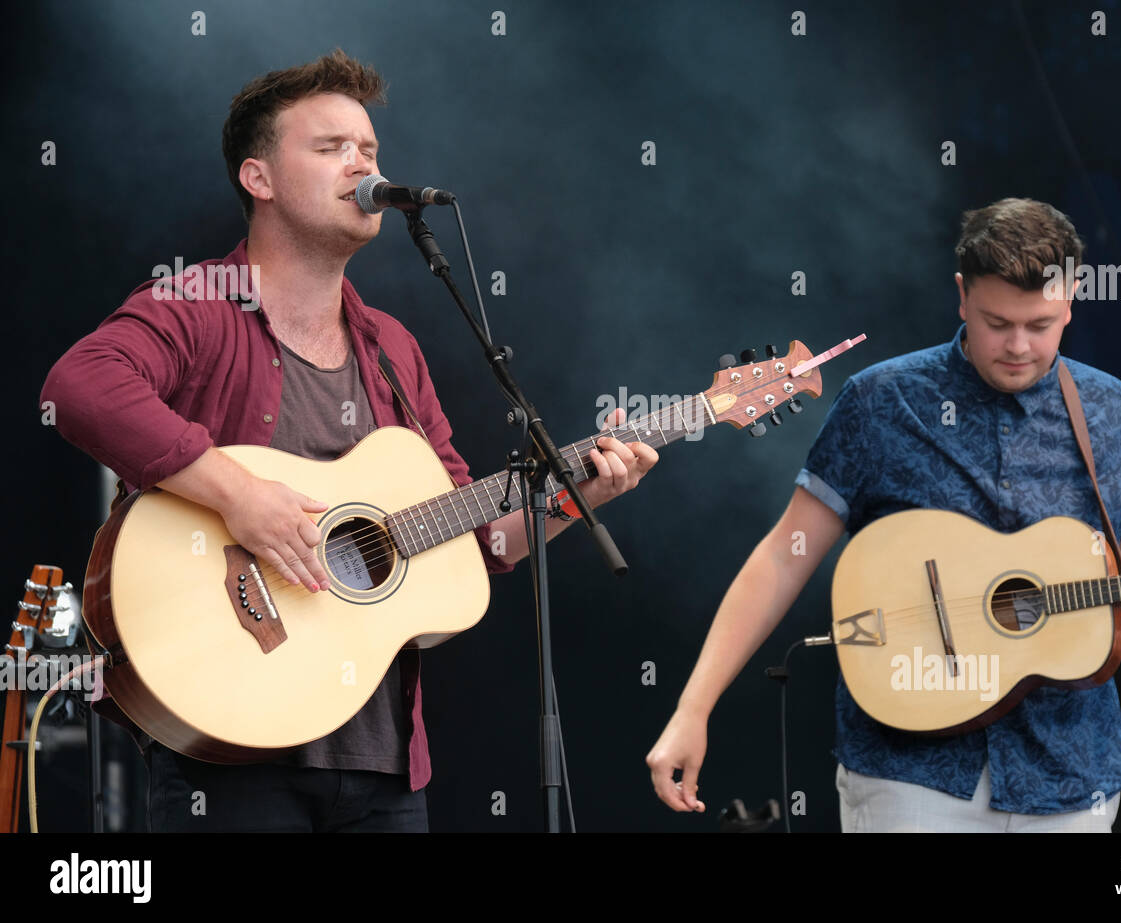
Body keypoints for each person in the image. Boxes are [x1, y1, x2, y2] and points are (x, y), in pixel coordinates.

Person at [41, 49, 658, 832]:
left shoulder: (393, 348)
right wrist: (242, 497)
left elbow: (471, 544)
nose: (361, 163)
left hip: (385, 766)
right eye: (330, 147)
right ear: (258, 178)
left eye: (367, 149)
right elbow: (79, 385)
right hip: (235, 752)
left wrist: (572, 496)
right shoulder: (200, 301)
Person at [645, 197, 1121, 832]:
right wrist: (693, 708)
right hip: (908, 771)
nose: (1019, 346)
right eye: (996, 321)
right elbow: (785, 557)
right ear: (960, 295)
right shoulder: (881, 400)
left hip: (1068, 774)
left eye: (1041, 323)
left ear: (1073, 297)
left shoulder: (1114, 413)